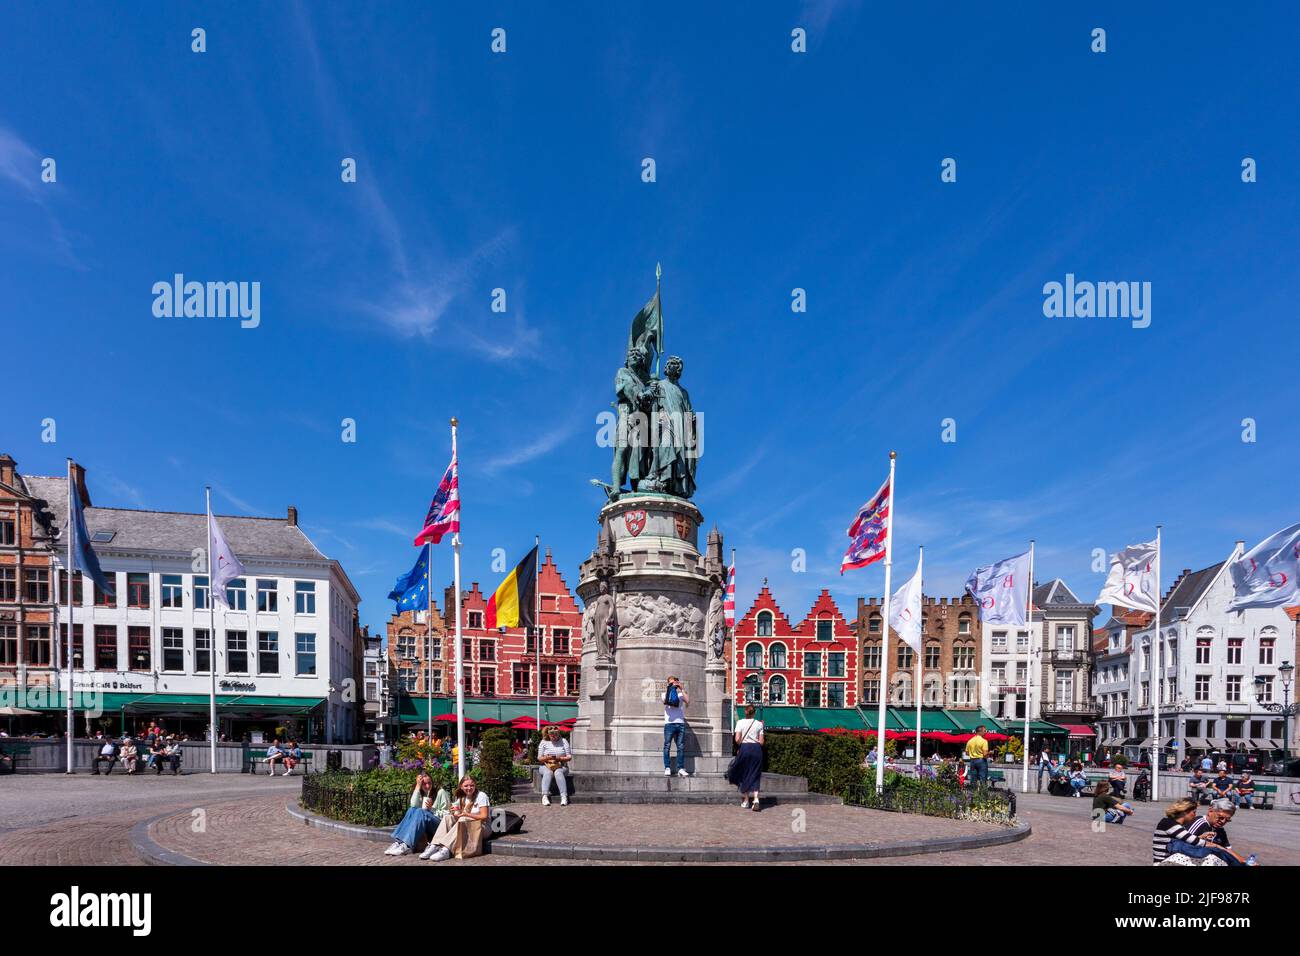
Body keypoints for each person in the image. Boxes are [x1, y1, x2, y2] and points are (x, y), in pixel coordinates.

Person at [420, 775, 490, 862]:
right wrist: (454, 812)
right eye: (466, 786)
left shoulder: (481, 796)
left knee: (464, 819)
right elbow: (458, 815)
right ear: (461, 787)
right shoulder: (462, 798)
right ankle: (435, 845)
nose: (469, 788)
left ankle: (446, 849)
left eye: (472, 785)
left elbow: (484, 816)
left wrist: (465, 814)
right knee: (448, 818)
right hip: (466, 825)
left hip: (482, 827)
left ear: (475, 785)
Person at [385, 772, 450, 856]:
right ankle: (399, 842)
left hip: (439, 825)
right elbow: (413, 805)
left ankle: (408, 845)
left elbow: (447, 814)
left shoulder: (440, 792)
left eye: (429, 783)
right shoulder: (421, 793)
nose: (427, 786)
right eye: (424, 784)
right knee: (412, 810)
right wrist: (418, 787)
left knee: (420, 811)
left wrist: (432, 809)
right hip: (425, 825)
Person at [1186, 800, 1255, 866]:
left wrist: (1244, 861)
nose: (1223, 821)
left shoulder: (1220, 829)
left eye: (1227, 820)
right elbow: (1181, 845)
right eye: (1220, 817)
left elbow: (1227, 850)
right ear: (1210, 811)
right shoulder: (1199, 823)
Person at [732, 704, 765, 811]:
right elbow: (761, 742)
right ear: (754, 713)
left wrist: (742, 742)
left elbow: (737, 739)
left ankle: (746, 801)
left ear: (745, 712)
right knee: (755, 774)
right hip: (756, 750)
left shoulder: (740, 722)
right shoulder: (759, 724)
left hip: (745, 749)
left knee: (743, 773)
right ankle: (756, 799)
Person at [537, 726, 572, 807]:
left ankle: (564, 796)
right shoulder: (543, 742)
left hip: (561, 765)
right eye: (551, 735)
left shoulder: (563, 741)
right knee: (548, 772)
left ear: (558, 734)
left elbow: (569, 757)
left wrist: (559, 758)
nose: (553, 737)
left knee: (558, 772)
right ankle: (545, 796)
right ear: (548, 734)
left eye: (555, 735)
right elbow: (539, 758)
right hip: (545, 765)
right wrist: (547, 758)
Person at [662, 676, 690, 777]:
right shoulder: (665, 694)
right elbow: (666, 702)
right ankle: (667, 767)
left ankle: (681, 768)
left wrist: (681, 688)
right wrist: (670, 688)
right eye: (671, 683)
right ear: (668, 684)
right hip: (669, 724)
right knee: (667, 746)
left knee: (681, 747)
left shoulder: (680, 695)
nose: (673, 684)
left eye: (675, 682)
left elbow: (688, 701)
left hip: (680, 723)